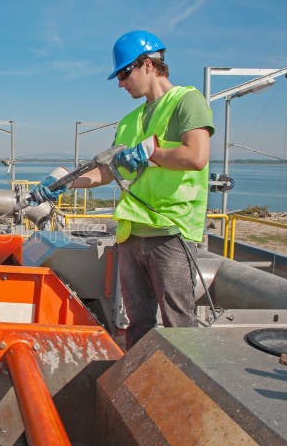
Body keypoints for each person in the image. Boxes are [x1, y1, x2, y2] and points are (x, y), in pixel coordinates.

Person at [31, 30, 214, 348]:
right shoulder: (130, 121)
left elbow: (197, 156)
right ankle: (138, 377)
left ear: (148, 64)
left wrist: (151, 154)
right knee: (137, 324)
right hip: (131, 234)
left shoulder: (187, 101)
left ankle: (180, 380)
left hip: (170, 232)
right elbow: (106, 172)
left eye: (124, 74)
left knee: (179, 326)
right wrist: (63, 183)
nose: (120, 83)